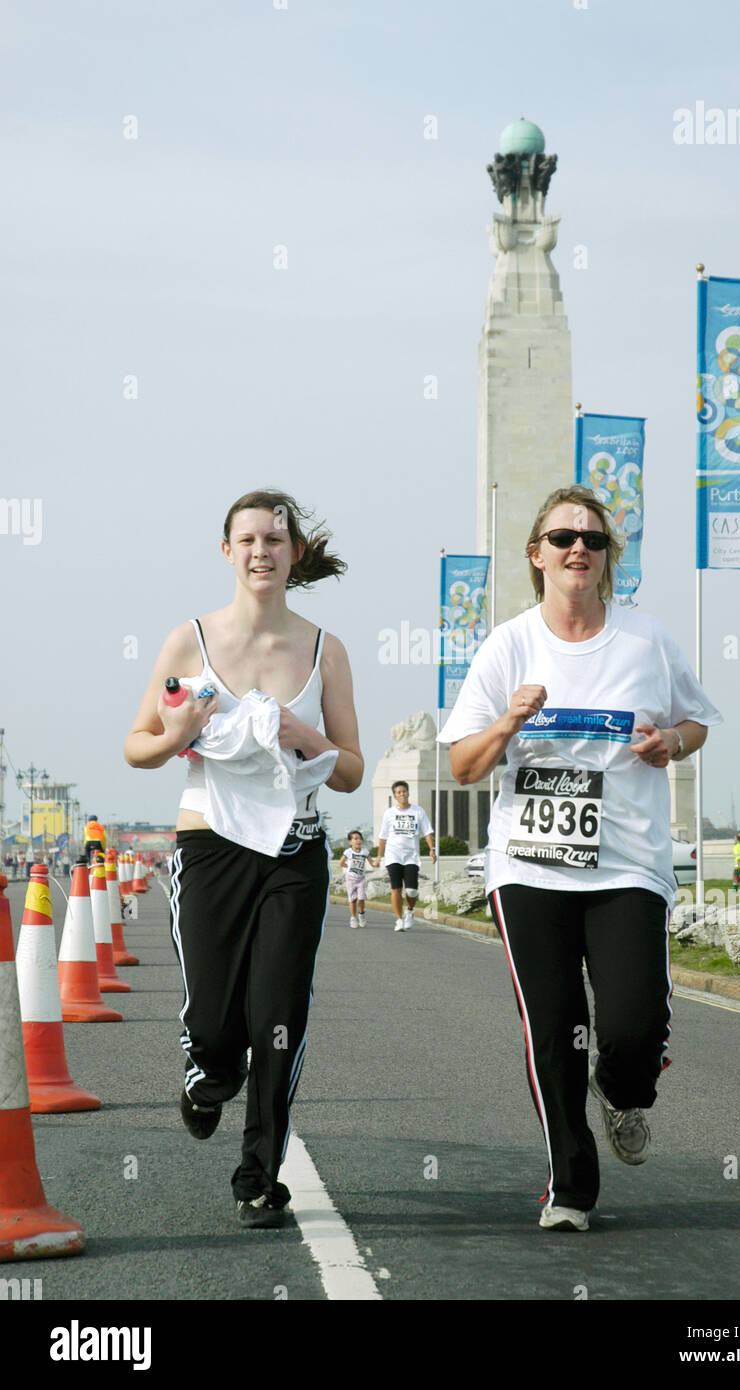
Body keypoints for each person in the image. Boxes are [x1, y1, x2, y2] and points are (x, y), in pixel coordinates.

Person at [438, 484, 722, 1233]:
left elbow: (697, 721)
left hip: (627, 866)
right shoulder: (508, 645)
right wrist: (508, 721)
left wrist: (671, 744)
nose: (577, 549)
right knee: (553, 1023)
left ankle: (625, 1088)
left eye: (592, 540)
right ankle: (571, 1180)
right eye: (563, 537)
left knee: (629, 1027)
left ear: (607, 560)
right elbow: (464, 767)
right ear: (537, 555)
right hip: (529, 869)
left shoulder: (645, 640)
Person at [124, 487, 363, 1229]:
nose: (262, 551)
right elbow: (136, 746)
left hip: (294, 854)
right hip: (209, 849)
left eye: (275, 539)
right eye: (249, 539)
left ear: (294, 554)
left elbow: (352, 768)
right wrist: (178, 732)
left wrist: (305, 735)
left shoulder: (325, 649)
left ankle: (259, 1178)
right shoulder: (189, 641)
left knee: (278, 1018)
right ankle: (208, 1076)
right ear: (228, 552)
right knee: (221, 1026)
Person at [374, 781, 436, 931]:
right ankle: (399, 919)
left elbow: (427, 831)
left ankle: (409, 910)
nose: (402, 794)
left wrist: (432, 848)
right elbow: (383, 837)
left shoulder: (418, 811)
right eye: (399, 792)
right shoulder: (389, 813)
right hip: (393, 855)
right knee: (396, 888)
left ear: (408, 793)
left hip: (411, 856)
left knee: (411, 891)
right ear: (395, 796)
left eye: (404, 791)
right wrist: (378, 857)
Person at [339, 830, 370, 928]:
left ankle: (361, 915)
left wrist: (376, 863)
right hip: (351, 879)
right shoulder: (348, 852)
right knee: (352, 899)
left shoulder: (365, 851)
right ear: (350, 842)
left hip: (361, 878)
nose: (358, 841)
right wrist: (349, 867)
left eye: (360, 839)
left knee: (361, 898)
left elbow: (372, 862)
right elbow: (341, 863)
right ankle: (353, 918)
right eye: (355, 839)